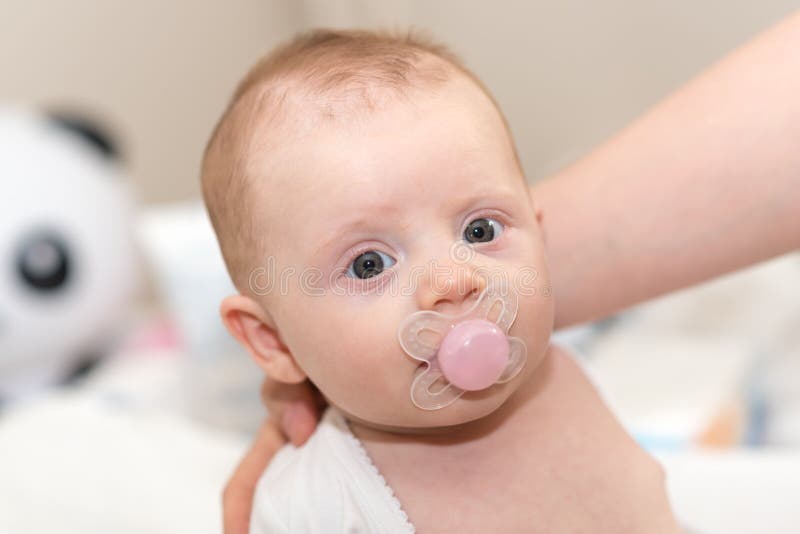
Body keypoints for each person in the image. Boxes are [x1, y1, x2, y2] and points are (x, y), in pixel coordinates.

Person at [217, 10, 800, 532]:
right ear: (270, 339)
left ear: (539, 235)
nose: (453, 279)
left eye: (480, 231)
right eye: (369, 264)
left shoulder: (560, 379)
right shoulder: (318, 506)